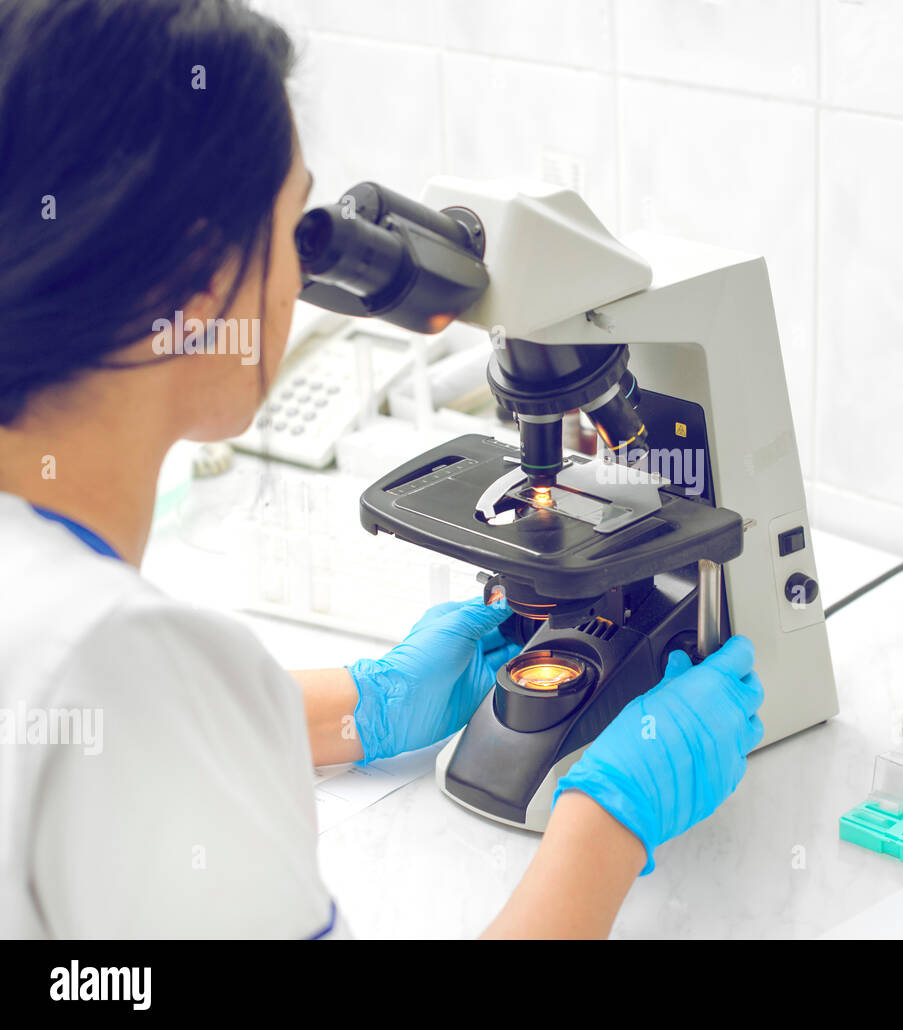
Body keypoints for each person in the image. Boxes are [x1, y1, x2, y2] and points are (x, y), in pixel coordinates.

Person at [0, 0, 763, 939]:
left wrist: (357, 707)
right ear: (203, 281)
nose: (300, 279)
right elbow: (122, 716)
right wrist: (606, 829)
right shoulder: (122, 664)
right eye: (293, 233)